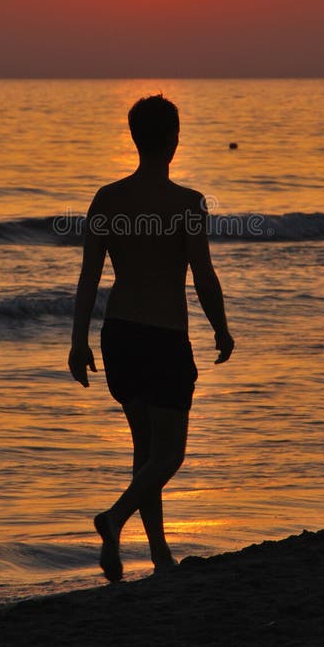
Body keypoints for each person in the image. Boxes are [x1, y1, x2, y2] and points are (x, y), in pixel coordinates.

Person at [67, 94, 234, 581]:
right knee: (170, 454)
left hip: (119, 336)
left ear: (135, 138)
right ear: (173, 140)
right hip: (163, 338)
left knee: (146, 454)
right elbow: (203, 276)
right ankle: (115, 519)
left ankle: (160, 555)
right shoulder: (186, 203)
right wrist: (221, 328)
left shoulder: (108, 199)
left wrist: (78, 342)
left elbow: (88, 279)